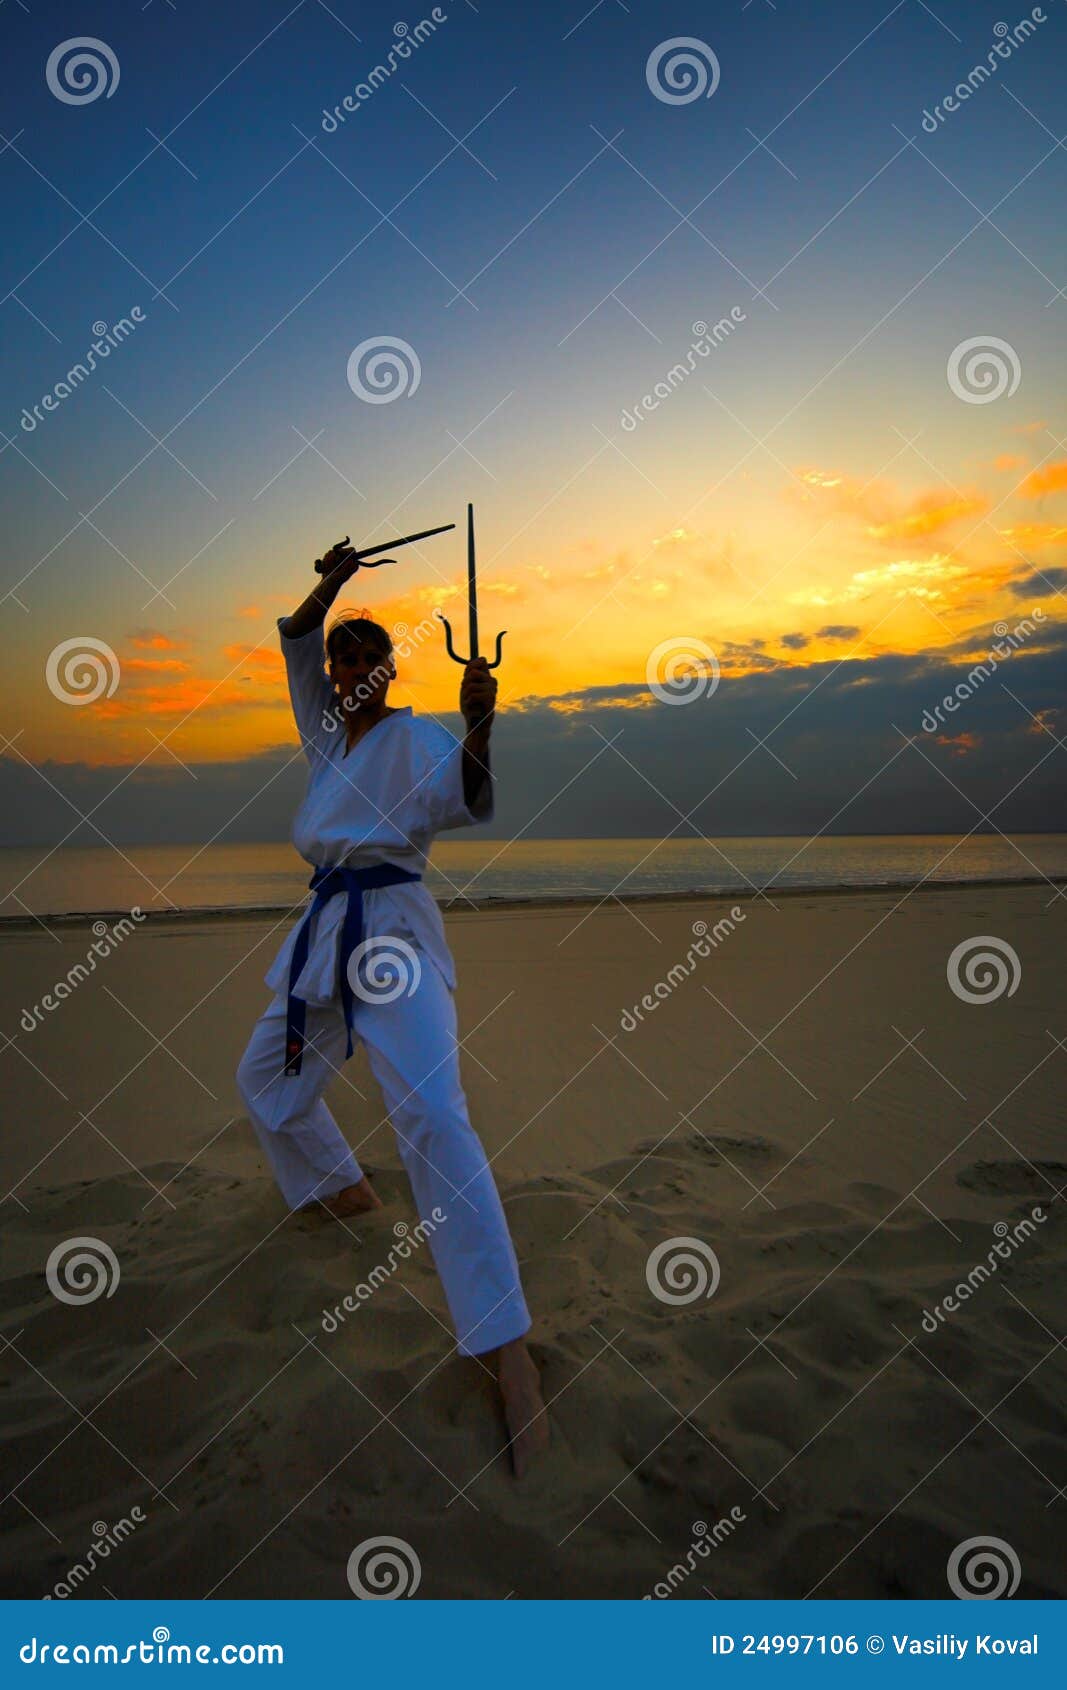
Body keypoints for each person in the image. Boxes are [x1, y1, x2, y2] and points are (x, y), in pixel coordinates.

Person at [236, 539, 548, 1476]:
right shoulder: (325, 734)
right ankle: (346, 1191)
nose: (350, 669)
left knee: (427, 1110)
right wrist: (335, 582)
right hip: (326, 928)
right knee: (266, 1082)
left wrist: (481, 723)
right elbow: (294, 631)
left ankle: (507, 1350)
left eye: (368, 657)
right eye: (343, 657)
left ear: (390, 670)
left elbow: (472, 793)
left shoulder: (420, 738)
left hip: (393, 935)